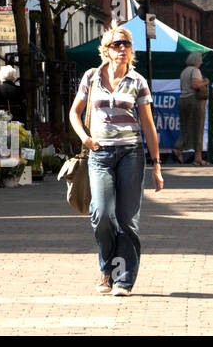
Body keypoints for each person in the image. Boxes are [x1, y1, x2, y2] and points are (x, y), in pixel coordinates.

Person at [69, 26, 164, 297]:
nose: (122, 49)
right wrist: (84, 137)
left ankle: (122, 280)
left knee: (126, 219)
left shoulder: (137, 81)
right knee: (101, 215)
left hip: (131, 154)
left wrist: (156, 165)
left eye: (126, 45)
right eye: (117, 45)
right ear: (106, 50)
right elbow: (74, 113)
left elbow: (148, 124)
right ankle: (106, 268)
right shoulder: (91, 77)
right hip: (99, 154)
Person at [172, 52, 210, 165]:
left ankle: (178, 148)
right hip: (194, 101)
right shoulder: (195, 71)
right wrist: (205, 82)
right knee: (198, 128)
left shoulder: (184, 71)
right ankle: (197, 157)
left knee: (185, 127)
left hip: (183, 100)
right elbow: (195, 85)